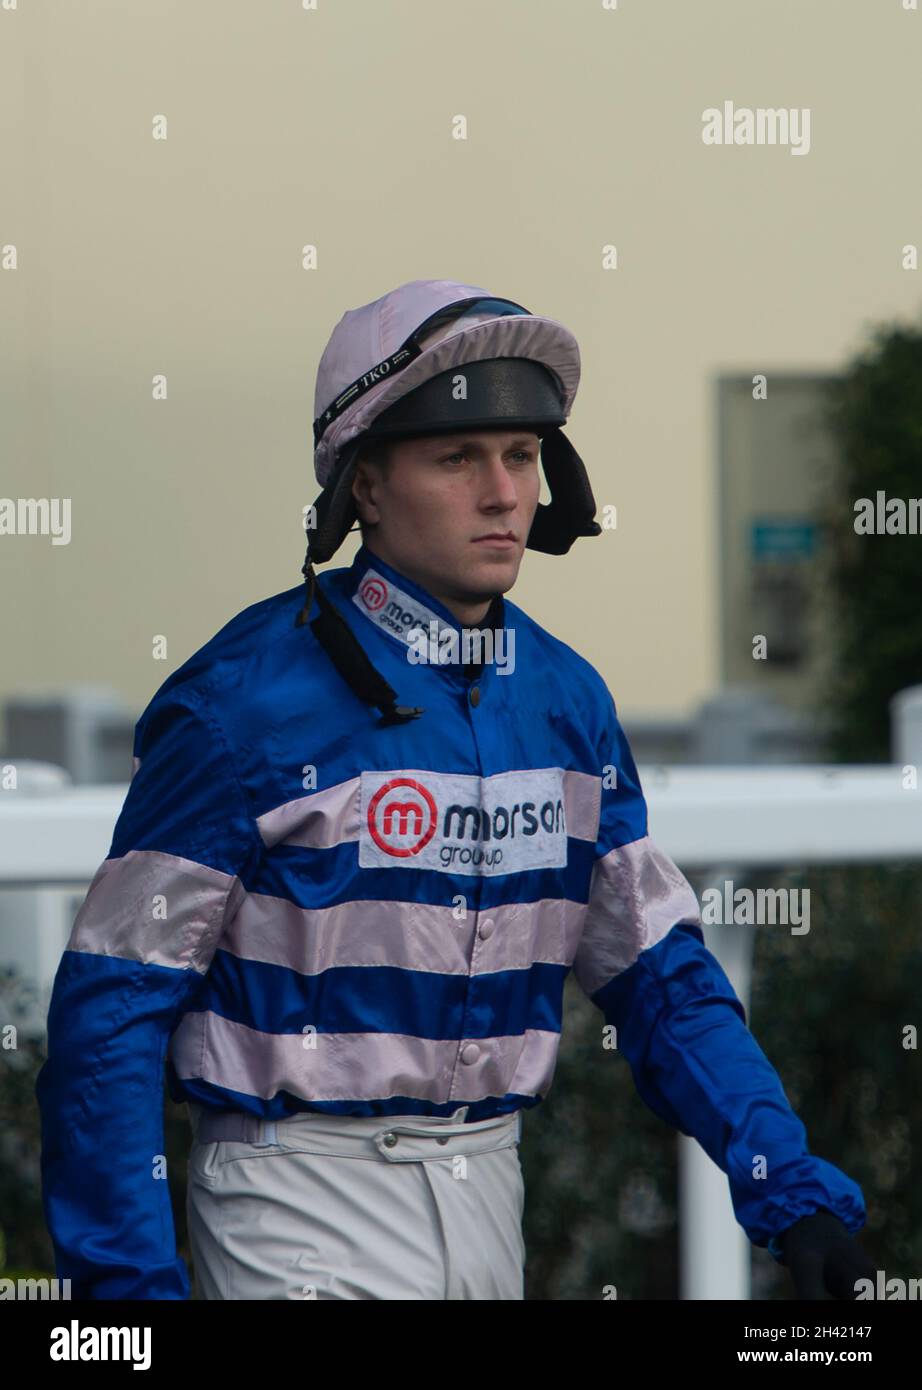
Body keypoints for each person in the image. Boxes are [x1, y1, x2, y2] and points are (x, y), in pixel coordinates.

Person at [36, 278, 874, 1301]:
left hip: (490, 1196)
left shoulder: (567, 701)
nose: (502, 492)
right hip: (291, 1207)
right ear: (366, 489)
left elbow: (660, 978)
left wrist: (784, 1180)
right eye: (456, 457)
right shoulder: (236, 703)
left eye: (521, 455)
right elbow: (111, 1007)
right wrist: (125, 1289)